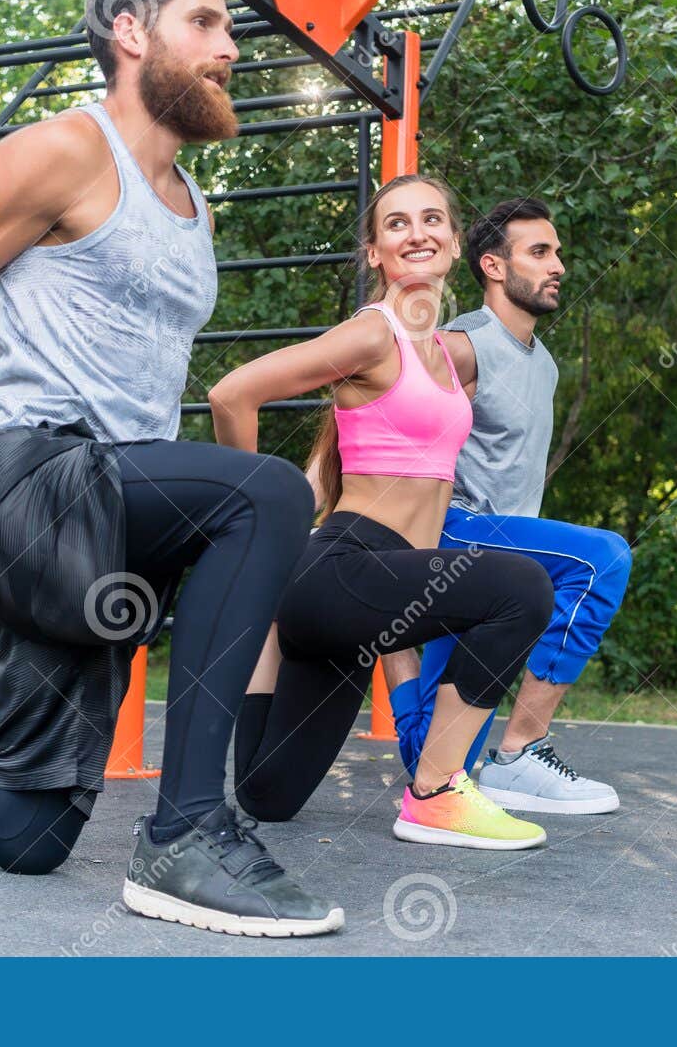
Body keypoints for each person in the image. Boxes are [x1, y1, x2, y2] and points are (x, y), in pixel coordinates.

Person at [0, 0, 342, 938]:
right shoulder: (64, 148)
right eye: (206, 23)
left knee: (27, 838)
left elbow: (41, 337)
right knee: (268, 493)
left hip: (102, 515)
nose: (230, 47)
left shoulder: (192, 208)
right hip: (33, 483)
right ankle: (187, 829)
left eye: (231, 28)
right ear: (131, 31)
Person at [217, 174, 556, 851]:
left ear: (457, 243)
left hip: (358, 605)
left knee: (267, 793)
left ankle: (272, 632)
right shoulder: (374, 335)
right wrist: (253, 533)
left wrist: (269, 613)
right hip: (348, 565)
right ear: (375, 252)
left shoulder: (440, 352)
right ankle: (434, 792)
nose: (417, 232)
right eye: (396, 224)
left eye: (433, 218)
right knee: (523, 590)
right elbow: (233, 393)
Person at [390, 198, 632, 814]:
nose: (560, 266)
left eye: (557, 252)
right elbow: (387, 429)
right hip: (458, 529)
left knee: (432, 761)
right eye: (540, 252)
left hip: (501, 550)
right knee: (602, 559)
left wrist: (389, 643)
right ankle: (521, 754)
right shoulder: (462, 345)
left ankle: (472, 762)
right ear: (494, 266)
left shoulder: (544, 365)